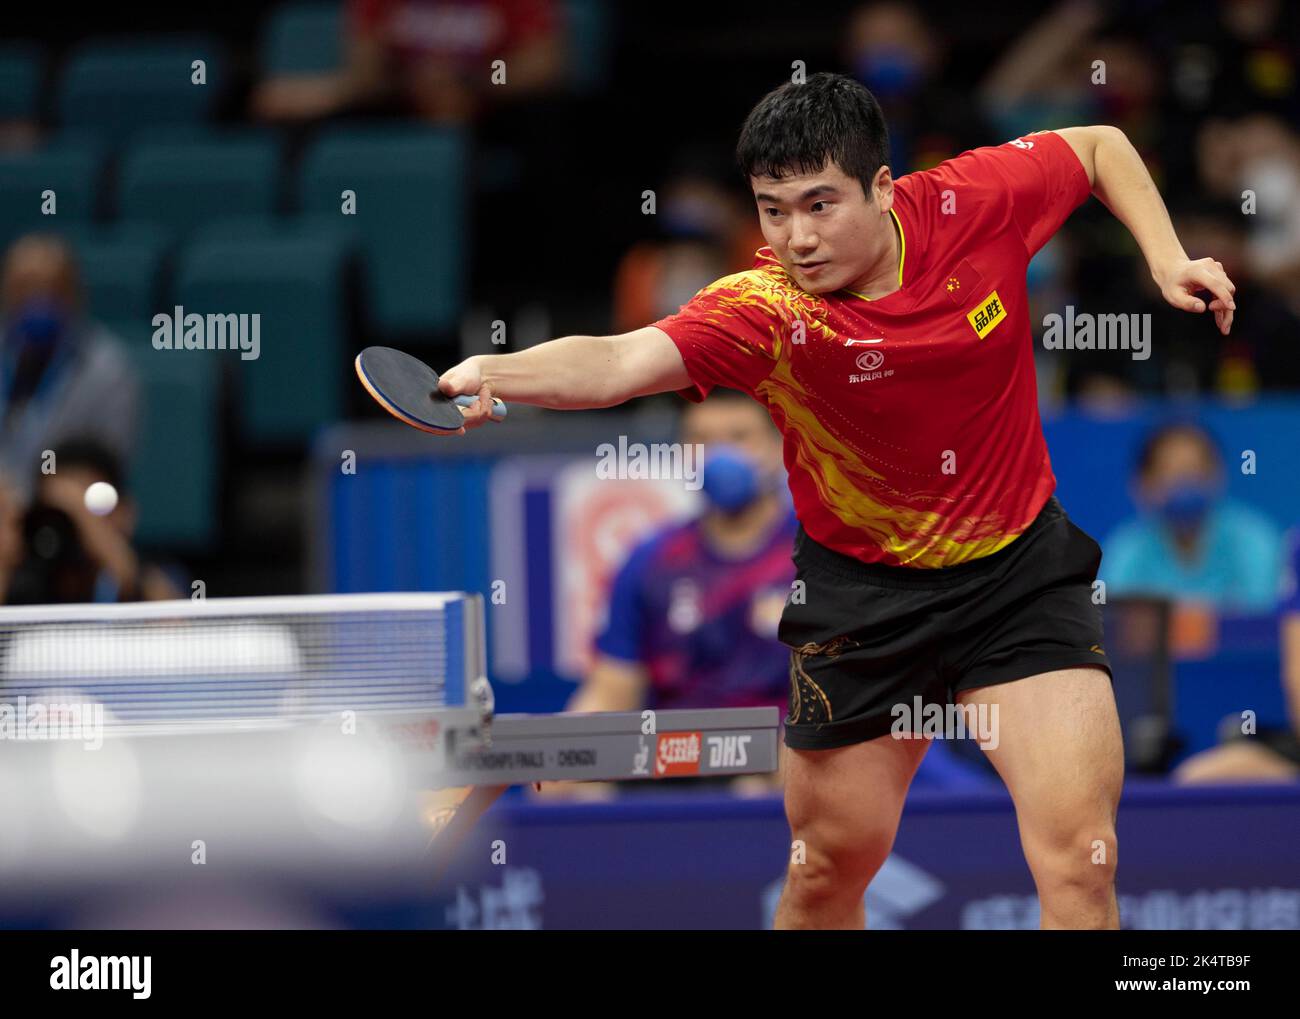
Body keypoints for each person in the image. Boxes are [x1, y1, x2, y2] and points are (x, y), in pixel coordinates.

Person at [435, 73, 1238, 929]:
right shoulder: (762, 310)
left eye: (820, 205)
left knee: (1081, 861)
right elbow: (620, 362)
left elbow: (1097, 146)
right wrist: (498, 374)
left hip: (1019, 579)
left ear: (884, 187)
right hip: (862, 605)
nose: (796, 238)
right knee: (824, 872)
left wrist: (1166, 254)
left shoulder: (973, 202)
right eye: (773, 210)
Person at [0, 235, 138, 502]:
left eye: (49, 289)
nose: (36, 301)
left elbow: (108, 469)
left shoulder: (109, 370)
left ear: (72, 294)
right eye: (24, 288)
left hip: (71, 513)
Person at [1100, 422, 1283, 611]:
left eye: (1195, 470)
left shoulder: (1254, 540)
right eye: (1171, 472)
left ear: (1219, 475)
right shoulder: (1127, 551)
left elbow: (1263, 619)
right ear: (1143, 484)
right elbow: (1115, 627)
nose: (1184, 483)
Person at [6, 438, 182, 604]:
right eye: (62, 510)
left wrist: (111, 555)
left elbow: (178, 623)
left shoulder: (157, 576)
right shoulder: (21, 578)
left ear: (125, 513)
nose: (77, 522)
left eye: (92, 506)